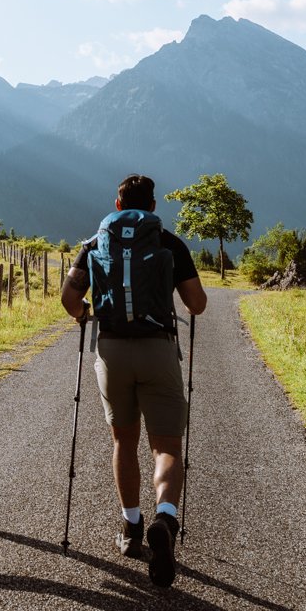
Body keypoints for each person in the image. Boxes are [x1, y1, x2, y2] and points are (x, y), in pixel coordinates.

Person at [61, 173, 207, 586]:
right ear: (154, 206)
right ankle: (166, 518)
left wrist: (86, 312)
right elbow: (196, 304)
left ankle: (131, 528)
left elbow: (69, 300)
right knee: (167, 446)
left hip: (112, 351)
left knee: (123, 440)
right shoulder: (169, 242)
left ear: (118, 204)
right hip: (158, 349)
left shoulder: (95, 242)